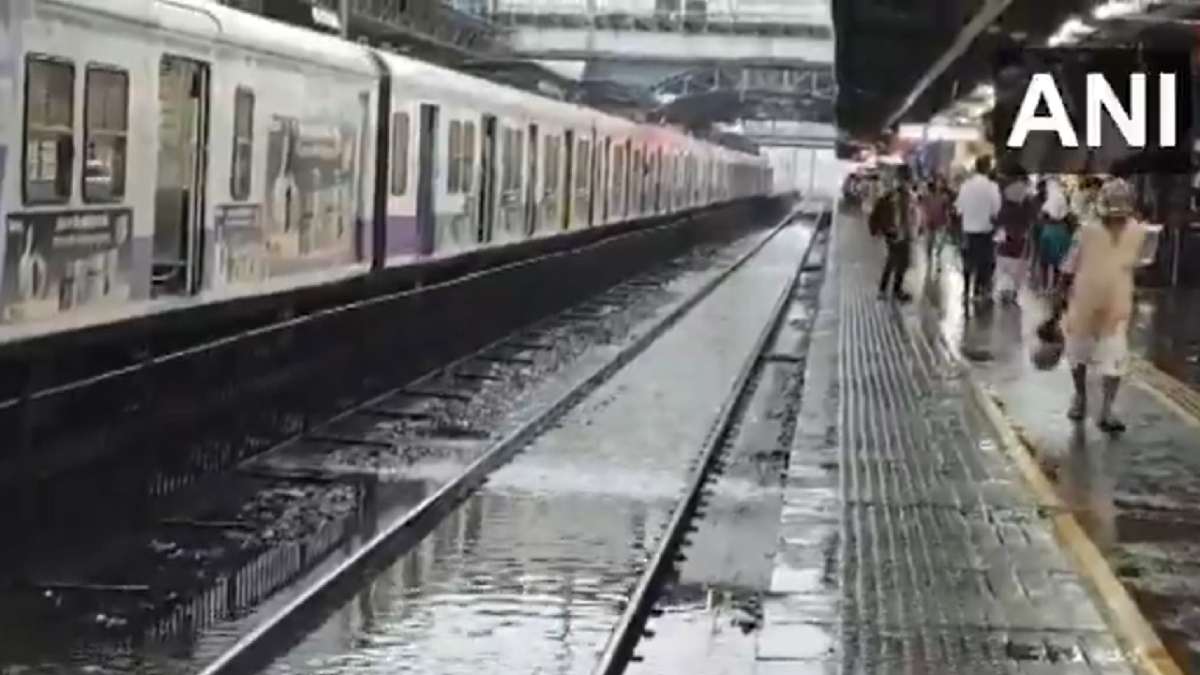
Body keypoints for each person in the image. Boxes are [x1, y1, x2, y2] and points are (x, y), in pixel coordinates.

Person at [1058, 178, 1148, 433]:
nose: (1116, 220)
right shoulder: (1086, 232)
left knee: (1115, 358)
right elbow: (1068, 268)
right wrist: (1059, 298)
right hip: (1084, 303)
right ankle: (1080, 397)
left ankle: (1107, 409)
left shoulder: (1136, 232)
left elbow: (1139, 265)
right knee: (1078, 355)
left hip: (1116, 306)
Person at [954, 156, 1002, 306]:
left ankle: (966, 290)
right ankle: (979, 291)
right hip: (985, 231)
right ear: (988, 168)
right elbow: (996, 209)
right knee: (984, 262)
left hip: (968, 230)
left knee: (968, 261)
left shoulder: (965, 186)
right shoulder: (992, 187)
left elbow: (958, 209)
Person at [868, 166, 917, 302]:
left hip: (903, 232)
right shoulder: (892, 196)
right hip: (893, 232)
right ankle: (888, 290)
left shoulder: (908, 195)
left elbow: (913, 214)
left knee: (900, 262)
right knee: (895, 261)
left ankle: (892, 290)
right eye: (905, 180)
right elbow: (876, 212)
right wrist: (876, 230)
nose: (906, 183)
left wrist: (914, 229)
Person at [995, 171, 1035, 304]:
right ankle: (1013, 292)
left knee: (1004, 263)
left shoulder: (1003, 199)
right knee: (1018, 265)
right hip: (1020, 237)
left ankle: (1003, 290)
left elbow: (998, 217)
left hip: (1006, 235)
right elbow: (1031, 219)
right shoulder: (1028, 201)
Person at [1039, 176, 1072, 292]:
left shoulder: (1050, 199)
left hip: (1049, 231)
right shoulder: (1062, 197)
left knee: (1044, 261)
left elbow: (1044, 216)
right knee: (1058, 262)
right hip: (1061, 231)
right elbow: (1066, 215)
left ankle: (1044, 286)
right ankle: (1054, 286)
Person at [921, 178, 952, 273]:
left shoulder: (942, 198)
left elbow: (946, 210)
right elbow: (924, 210)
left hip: (936, 223)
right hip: (935, 223)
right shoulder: (929, 197)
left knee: (935, 244)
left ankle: (933, 260)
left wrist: (948, 221)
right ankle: (932, 260)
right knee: (934, 244)